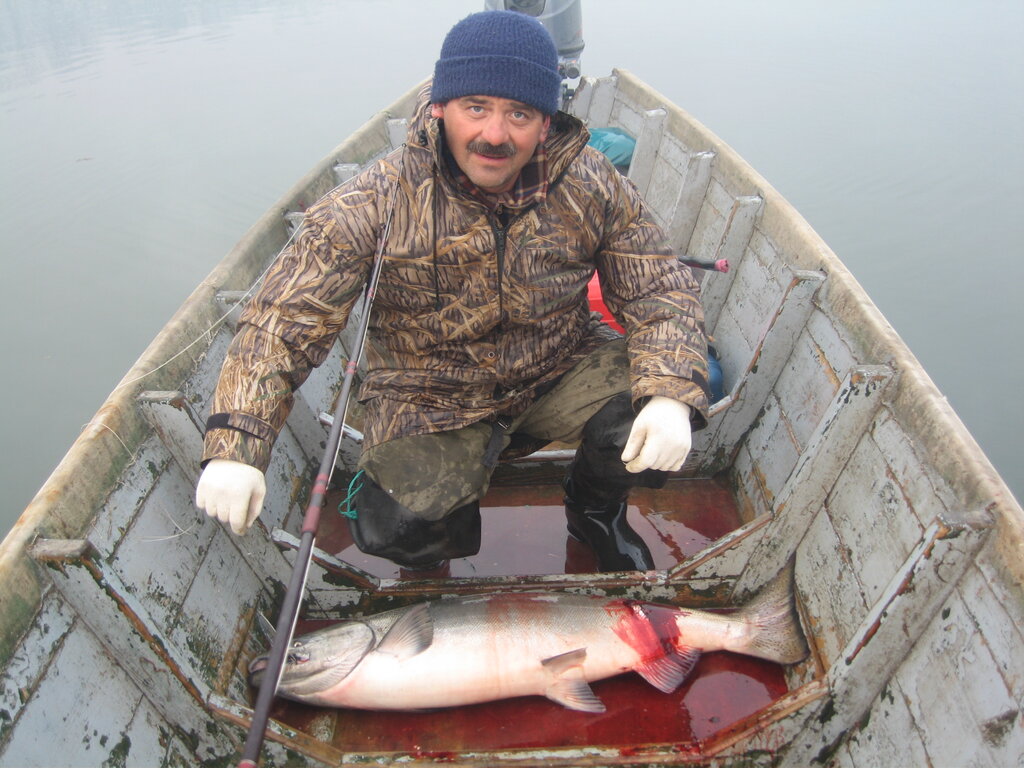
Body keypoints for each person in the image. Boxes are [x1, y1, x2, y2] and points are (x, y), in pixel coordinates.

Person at [195, 10, 710, 573]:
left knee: (659, 410)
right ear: (440, 107)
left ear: (546, 122)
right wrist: (236, 449)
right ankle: (432, 556)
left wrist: (669, 393)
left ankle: (593, 511)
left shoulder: (591, 183)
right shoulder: (374, 200)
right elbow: (280, 325)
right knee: (398, 525)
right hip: (428, 394)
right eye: (476, 107)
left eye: (519, 113)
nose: (495, 134)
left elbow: (660, 287)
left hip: (558, 364)